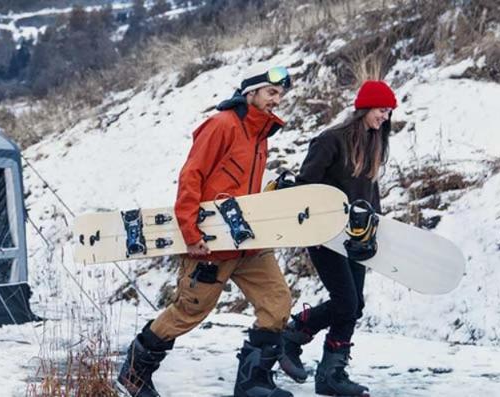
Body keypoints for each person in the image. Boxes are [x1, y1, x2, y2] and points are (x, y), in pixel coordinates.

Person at [116, 64, 295, 397]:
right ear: (251, 93)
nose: (277, 100)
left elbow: (242, 188)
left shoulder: (260, 134)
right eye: (271, 93)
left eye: (280, 95)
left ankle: (252, 384)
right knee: (189, 311)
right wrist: (190, 233)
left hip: (249, 242)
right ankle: (134, 373)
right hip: (210, 243)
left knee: (277, 303)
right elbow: (191, 177)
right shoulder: (221, 125)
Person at [277, 80, 398, 397]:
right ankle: (294, 334)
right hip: (324, 234)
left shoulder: (374, 145)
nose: (384, 118)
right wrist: (312, 226)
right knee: (346, 301)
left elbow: (369, 191)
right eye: (381, 110)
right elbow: (306, 187)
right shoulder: (331, 140)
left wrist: (377, 225)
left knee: (354, 305)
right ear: (364, 108)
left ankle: (332, 374)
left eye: (388, 113)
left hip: (357, 236)